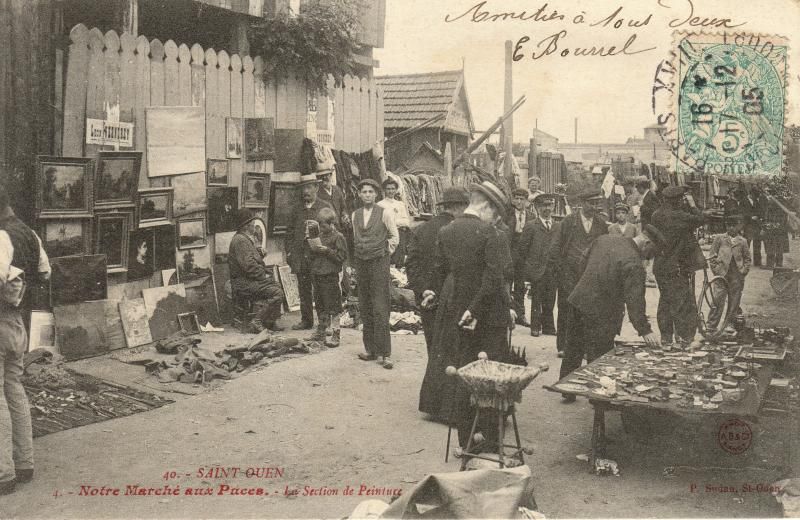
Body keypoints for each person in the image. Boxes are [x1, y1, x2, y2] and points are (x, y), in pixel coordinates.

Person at [421, 181, 513, 448]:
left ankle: (466, 440)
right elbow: (494, 279)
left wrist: (431, 291)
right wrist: (476, 309)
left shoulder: (447, 231)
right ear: (486, 206)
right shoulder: (491, 234)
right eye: (496, 214)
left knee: (464, 372)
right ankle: (491, 438)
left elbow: (439, 270)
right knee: (491, 376)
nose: (495, 220)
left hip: (457, 314)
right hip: (487, 316)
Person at [559, 225, 665, 402]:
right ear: (646, 242)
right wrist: (645, 330)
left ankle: (566, 389)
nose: (649, 258)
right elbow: (635, 301)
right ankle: (598, 398)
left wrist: (587, 285)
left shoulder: (604, 239)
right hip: (603, 311)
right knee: (600, 354)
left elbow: (581, 263)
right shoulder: (634, 263)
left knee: (573, 347)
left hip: (579, 299)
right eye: (651, 253)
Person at [0, 185, 49, 495]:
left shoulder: (1, 235)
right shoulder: (29, 233)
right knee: (14, 387)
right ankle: (24, 463)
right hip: (17, 322)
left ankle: (3, 471)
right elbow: (44, 272)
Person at [406, 187, 470, 354]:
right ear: (458, 207)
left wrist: (422, 290)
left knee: (433, 346)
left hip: (427, 298)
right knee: (454, 348)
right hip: (453, 297)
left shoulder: (422, 229)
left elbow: (411, 264)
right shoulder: (460, 230)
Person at [547, 190, 608, 357]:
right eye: (591, 203)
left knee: (588, 310)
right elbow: (555, 248)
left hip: (590, 276)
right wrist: (560, 271)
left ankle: (587, 347)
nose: (595, 207)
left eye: (597, 203)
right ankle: (563, 346)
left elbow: (604, 249)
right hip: (569, 274)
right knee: (566, 308)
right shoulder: (568, 222)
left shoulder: (601, 224)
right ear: (582, 203)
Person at [652, 186, 709, 344]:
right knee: (681, 303)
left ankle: (666, 336)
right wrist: (691, 204)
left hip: (660, 266)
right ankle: (685, 338)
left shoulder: (656, 215)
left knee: (665, 300)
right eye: (681, 199)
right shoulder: (679, 216)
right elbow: (702, 219)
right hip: (676, 267)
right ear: (677, 200)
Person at [352, 179, 399, 369]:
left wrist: (384, 252)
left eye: (371, 192)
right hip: (362, 263)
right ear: (359, 194)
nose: (367, 195)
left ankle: (385, 353)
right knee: (365, 305)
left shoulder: (385, 212)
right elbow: (356, 236)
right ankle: (370, 349)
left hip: (379, 262)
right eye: (364, 192)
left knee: (380, 306)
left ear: (376, 194)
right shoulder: (355, 215)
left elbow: (394, 236)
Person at [286, 173, 333, 330]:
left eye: (309, 187)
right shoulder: (296, 209)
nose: (305, 191)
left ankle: (323, 321)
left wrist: (324, 248)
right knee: (303, 288)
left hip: (318, 255)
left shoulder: (324, 206)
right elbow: (289, 233)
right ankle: (306, 320)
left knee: (320, 289)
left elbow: (333, 231)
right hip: (301, 255)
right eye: (303, 188)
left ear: (316, 188)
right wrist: (289, 253)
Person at [228, 209, 285, 332]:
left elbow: (249, 260)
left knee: (276, 286)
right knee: (277, 292)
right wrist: (264, 275)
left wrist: (259, 254)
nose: (255, 226)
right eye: (253, 224)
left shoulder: (243, 239)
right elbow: (249, 267)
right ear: (246, 226)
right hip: (243, 284)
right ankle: (257, 321)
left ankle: (269, 322)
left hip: (248, 281)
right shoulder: (240, 241)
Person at [518, 194, 559, 338]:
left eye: (550, 206)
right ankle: (535, 326)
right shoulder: (531, 226)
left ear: (553, 207)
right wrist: (528, 270)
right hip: (537, 269)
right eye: (544, 206)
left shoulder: (557, 226)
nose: (547, 209)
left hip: (552, 269)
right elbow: (523, 250)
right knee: (537, 299)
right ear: (537, 208)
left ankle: (548, 326)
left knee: (550, 299)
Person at [307, 207, 348, 348]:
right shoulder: (320, 236)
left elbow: (341, 257)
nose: (321, 228)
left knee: (334, 306)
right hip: (318, 274)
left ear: (331, 224)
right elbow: (312, 255)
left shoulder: (339, 237)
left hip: (330, 276)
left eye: (324, 226)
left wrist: (328, 251)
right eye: (320, 225)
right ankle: (321, 330)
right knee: (320, 304)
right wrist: (312, 247)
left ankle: (336, 333)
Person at [707, 214, 750, 332]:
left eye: (733, 226)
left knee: (734, 301)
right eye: (728, 225)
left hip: (736, 275)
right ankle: (711, 325)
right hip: (722, 274)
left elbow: (747, 258)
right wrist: (715, 269)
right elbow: (712, 255)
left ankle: (729, 324)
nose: (731, 228)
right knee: (717, 299)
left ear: (739, 227)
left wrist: (743, 271)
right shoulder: (719, 238)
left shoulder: (743, 241)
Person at [505, 188, 534, 327]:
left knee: (520, 285)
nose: (518, 201)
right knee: (507, 283)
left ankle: (520, 314)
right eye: (516, 198)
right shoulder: (507, 215)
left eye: (522, 199)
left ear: (527, 201)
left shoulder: (531, 216)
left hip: (523, 253)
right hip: (510, 251)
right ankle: (508, 314)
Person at [377, 177, 411, 267]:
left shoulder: (400, 204)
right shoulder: (380, 205)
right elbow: (381, 223)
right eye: (388, 189)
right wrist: (396, 223)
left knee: (400, 260)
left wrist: (392, 222)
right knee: (389, 259)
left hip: (401, 234)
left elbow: (406, 222)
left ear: (396, 190)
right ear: (384, 190)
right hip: (387, 235)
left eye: (393, 189)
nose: (390, 191)